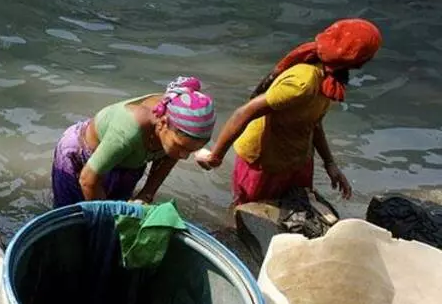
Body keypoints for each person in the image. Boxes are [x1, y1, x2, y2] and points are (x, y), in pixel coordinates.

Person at [196, 18, 382, 205]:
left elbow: (314, 122)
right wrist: (215, 157)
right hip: (266, 163)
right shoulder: (302, 83)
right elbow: (245, 112)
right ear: (357, 58)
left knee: (295, 209)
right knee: (251, 212)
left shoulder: (331, 78)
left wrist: (330, 164)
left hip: (296, 159)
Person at [51, 77, 216, 208]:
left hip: (127, 161)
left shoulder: (172, 134)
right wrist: (111, 222)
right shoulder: (129, 131)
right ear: (163, 123)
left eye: (191, 150)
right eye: (181, 147)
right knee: (73, 219)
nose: (184, 156)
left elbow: (169, 157)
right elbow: (88, 180)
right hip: (83, 157)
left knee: (121, 213)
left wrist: (146, 195)